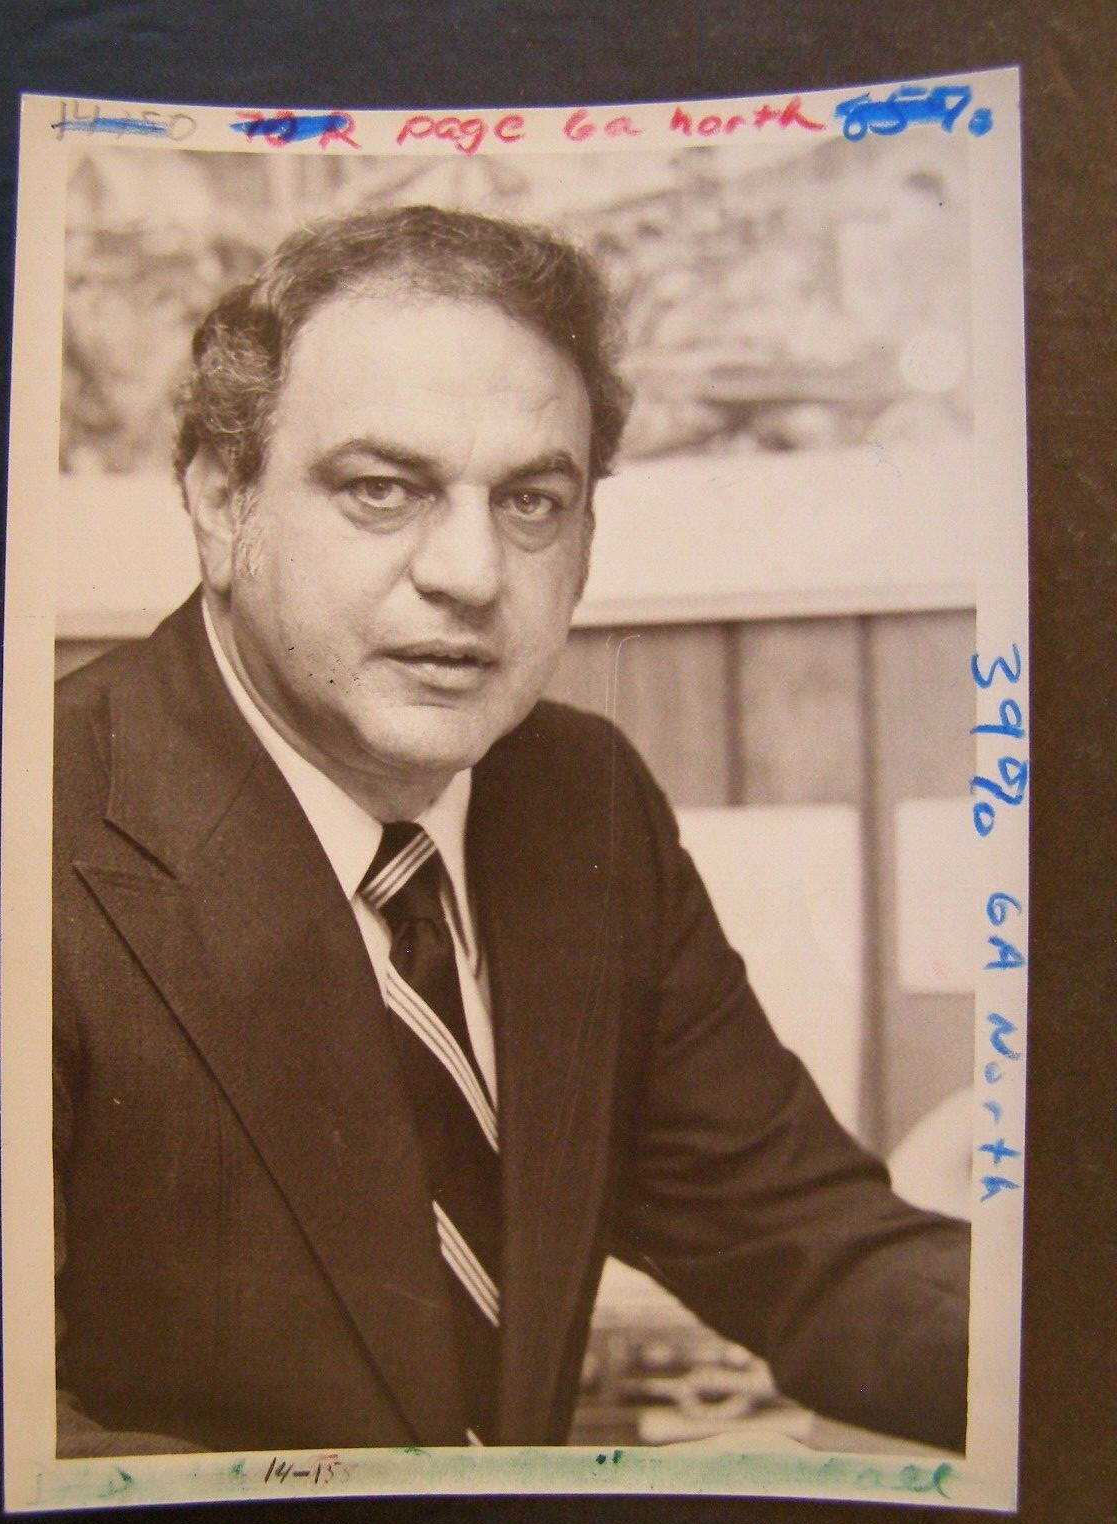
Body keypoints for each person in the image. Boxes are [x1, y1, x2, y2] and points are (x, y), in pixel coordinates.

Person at [53, 205, 969, 1457]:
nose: (473, 573)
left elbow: (808, 1245)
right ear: (222, 503)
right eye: (383, 489)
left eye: (534, 500)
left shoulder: (582, 803)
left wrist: (1071, 1362)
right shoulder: (18, 832)